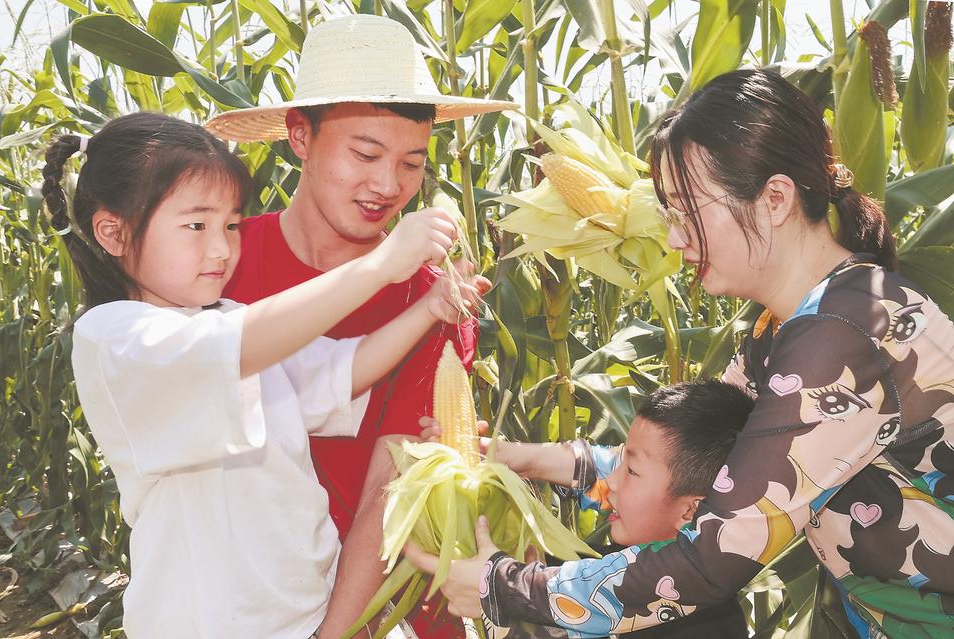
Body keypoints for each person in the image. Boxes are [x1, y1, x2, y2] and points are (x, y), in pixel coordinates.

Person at [406, 69, 954, 638]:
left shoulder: (842, 332)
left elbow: (711, 556)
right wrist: (511, 457)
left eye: (688, 210)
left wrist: (506, 587)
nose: (673, 238)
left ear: (775, 198)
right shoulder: (787, 329)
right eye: (668, 214)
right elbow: (694, 471)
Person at [41, 112, 475, 638]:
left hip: (306, 613)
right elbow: (243, 344)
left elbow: (340, 373)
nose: (223, 247)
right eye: (197, 226)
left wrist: (430, 308)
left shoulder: (222, 319)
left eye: (230, 224)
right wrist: (381, 266)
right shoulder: (118, 340)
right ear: (113, 232)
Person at [205, 14, 515, 637]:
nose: (387, 186)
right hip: (253, 601)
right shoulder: (220, 265)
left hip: (385, 607)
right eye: (365, 154)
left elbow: (389, 489)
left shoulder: (437, 294)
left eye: (411, 163)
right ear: (299, 137)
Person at [422, 380, 754, 638]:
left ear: (689, 513)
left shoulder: (706, 625)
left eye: (633, 471)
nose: (610, 483)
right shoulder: (603, 567)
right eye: (619, 462)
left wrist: (500, 593)